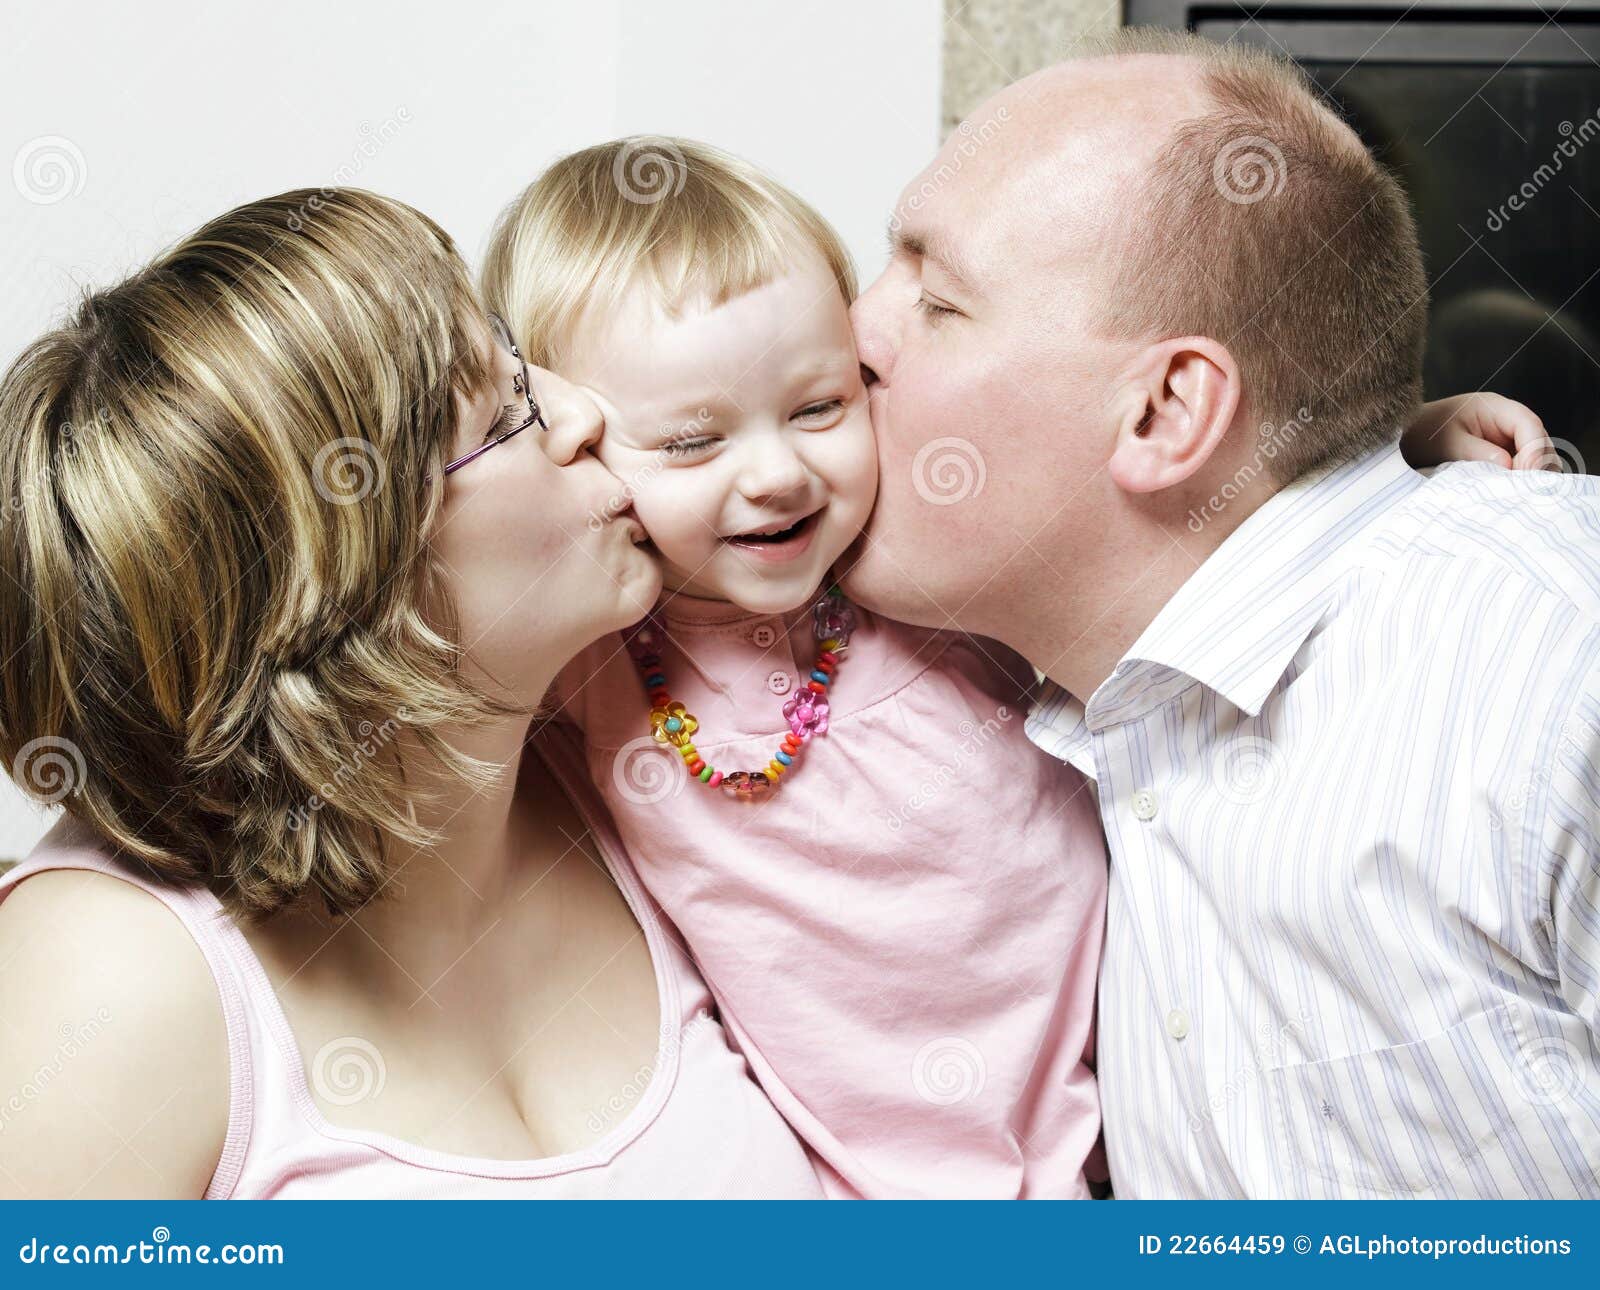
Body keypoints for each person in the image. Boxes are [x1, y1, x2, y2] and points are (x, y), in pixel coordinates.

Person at [483, 136, 1551, 1197]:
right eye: (690, 446)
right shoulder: (596, 650)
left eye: (822, 405)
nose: (777, 475)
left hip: (1119, 1150)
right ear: (576, 446)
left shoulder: (911, 566)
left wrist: (1391, 443)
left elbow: (1142, 507)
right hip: (874, 1198)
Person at [845, 26, 1599, 1198]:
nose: (851, 337)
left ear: (1162, 413)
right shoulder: (1021, 692)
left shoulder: (1551, 666)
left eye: (937, 301)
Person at [0, 189, 823, 1199]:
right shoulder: (111, 979)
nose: (583, 414)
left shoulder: (636, 768)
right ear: (344, 577)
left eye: (525, 365)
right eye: (506, 412)